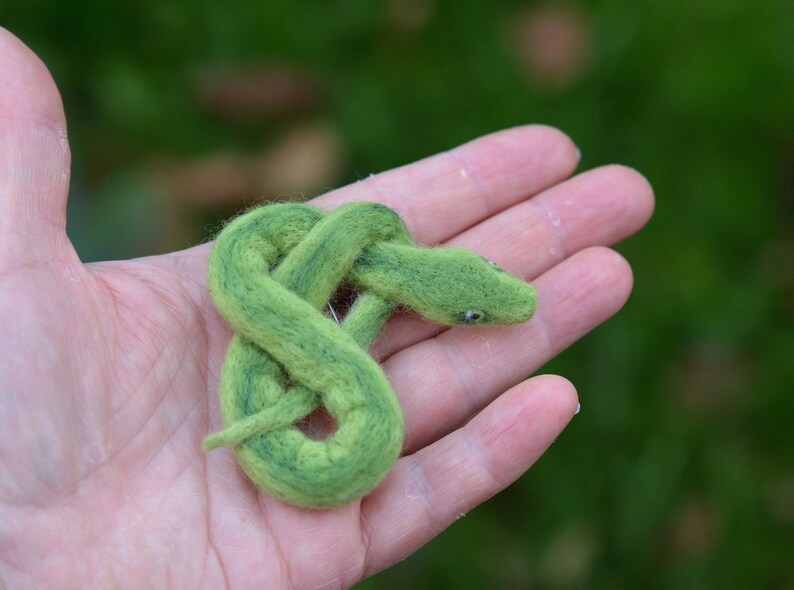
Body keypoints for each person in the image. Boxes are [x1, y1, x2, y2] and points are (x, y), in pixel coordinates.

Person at [0, 27, 654, 589]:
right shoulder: (366, 238)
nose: (477, 317)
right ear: (432, 292)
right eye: (473, 313)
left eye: (476, 305)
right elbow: (370, 236)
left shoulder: (364, 235)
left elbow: (369, 235)